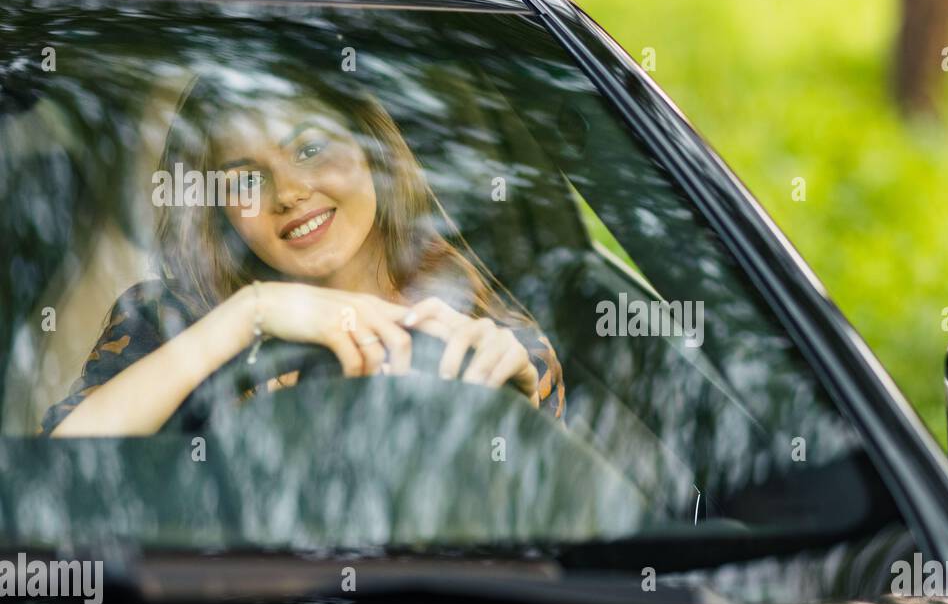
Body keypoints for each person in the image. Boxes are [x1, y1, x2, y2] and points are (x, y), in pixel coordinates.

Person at [41, 72, 563, 436]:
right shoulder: (167, 319)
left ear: (371, 150)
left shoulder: (485, 336)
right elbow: (58, 468)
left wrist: (515, 413)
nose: (288, 191)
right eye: (246, 178)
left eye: (311, 149)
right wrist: (250, 314)